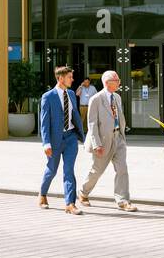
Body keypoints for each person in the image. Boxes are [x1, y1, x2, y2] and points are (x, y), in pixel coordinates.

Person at [80, 70, 138, 212]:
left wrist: (122, 136)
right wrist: (97, 144)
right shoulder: (96, 99)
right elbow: (92, 124)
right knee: (97, 171)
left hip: (118, 139)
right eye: (116, 80)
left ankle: (123, 200)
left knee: (122, 169)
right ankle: (83, 193)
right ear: (107, 83)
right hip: (103, 142)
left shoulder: (117, 97)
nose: (119, 82)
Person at [38, 64, 84, 215]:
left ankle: (70, 204)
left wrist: (82, 137)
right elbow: (44, 122)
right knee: (52, 170)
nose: (72, 79)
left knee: (69, 171)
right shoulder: (48, 97)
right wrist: (46, 143)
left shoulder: (71, 94)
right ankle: (43, 194)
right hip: (55, 140)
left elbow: (75, 115)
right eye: (70, 77)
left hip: (70, 138)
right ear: (60, 78)